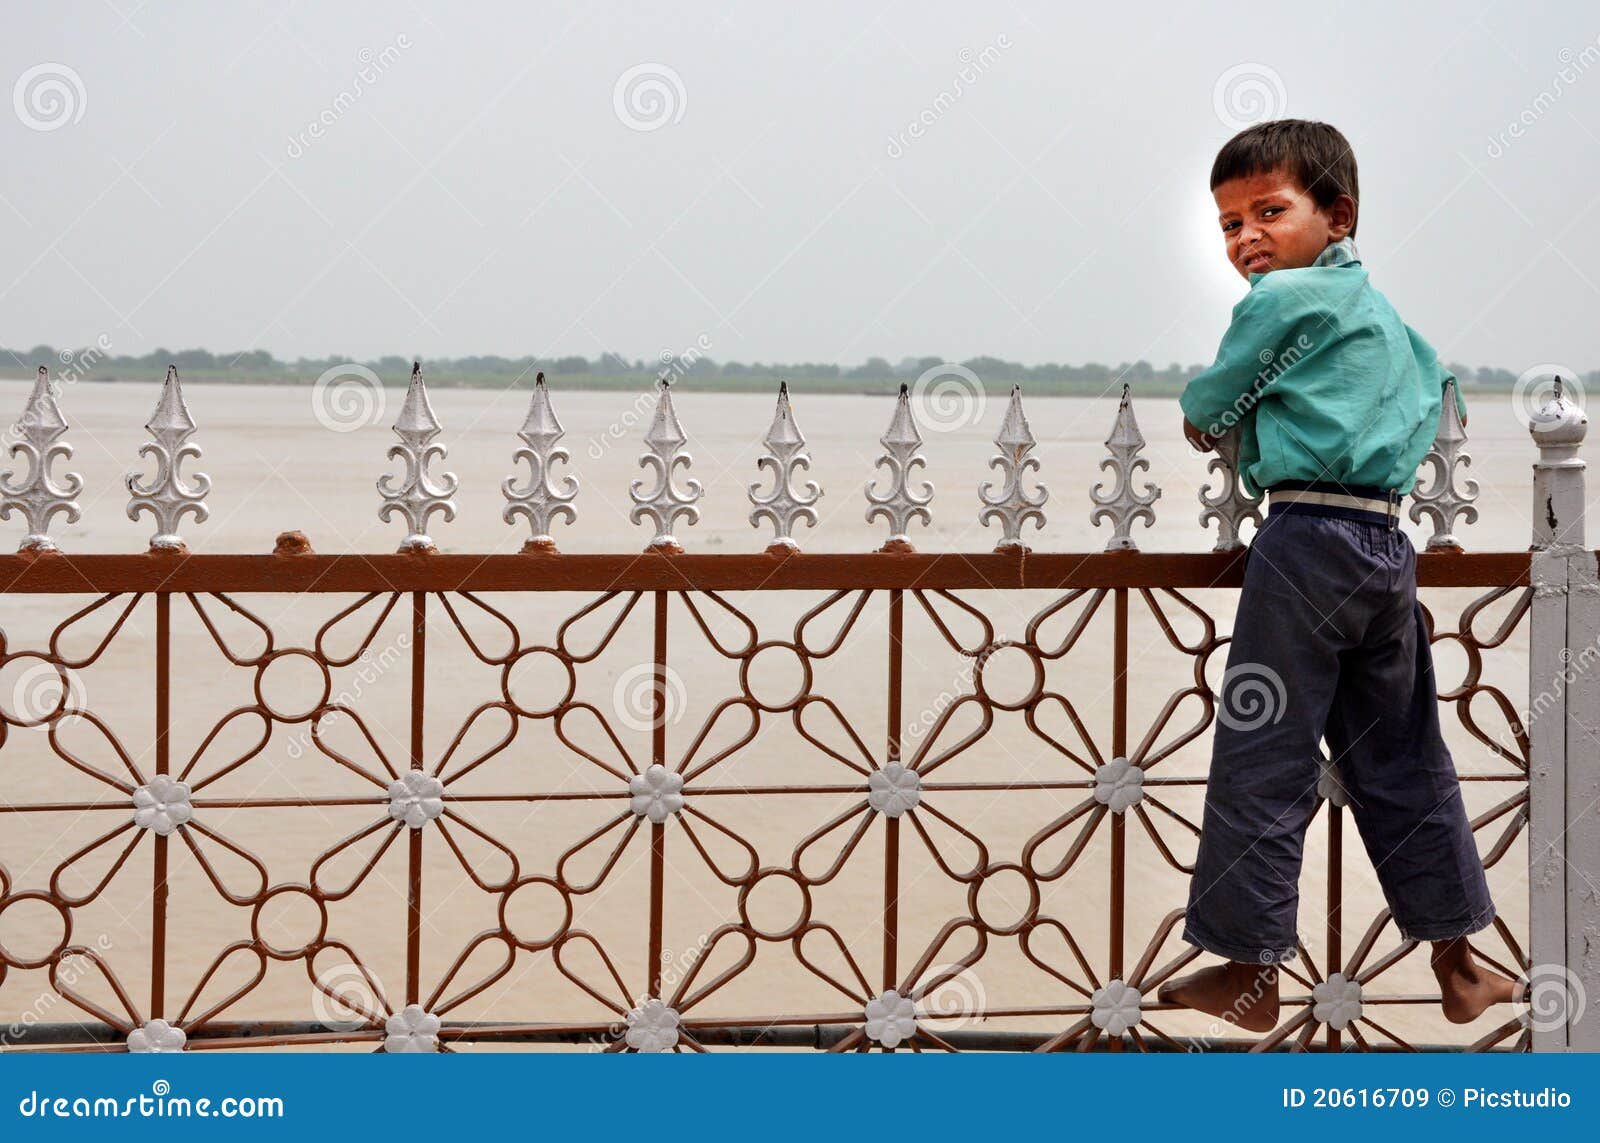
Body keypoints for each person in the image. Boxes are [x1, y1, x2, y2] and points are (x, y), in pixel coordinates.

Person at [1157, 119, 1517, 1033]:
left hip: (1307, 538)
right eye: (1230, 225)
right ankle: (1459, 961)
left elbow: (1210, 402)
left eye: (1269, 213)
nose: (1247, 241)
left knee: (1263, 753)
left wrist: (1210, 421)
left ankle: (1248, 969)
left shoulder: (1280, 304)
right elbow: (1437, 391)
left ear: (1338, 215)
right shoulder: (1392, 320)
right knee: (1402, 758)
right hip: (1384, 550)